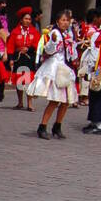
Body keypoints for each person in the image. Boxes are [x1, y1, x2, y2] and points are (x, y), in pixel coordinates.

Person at [29, 10, 79, 140]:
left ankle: (57, 126)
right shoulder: (54, 33)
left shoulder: (69, 34)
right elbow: (48, 50)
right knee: (55, 100)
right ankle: (42, 126)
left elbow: (72, 54)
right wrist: (53, 41)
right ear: (57, 21)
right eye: (62, 20)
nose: (65, 22)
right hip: (56, 68)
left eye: (67, 20)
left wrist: (74, 52)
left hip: (66, 69)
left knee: (66, 101)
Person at [6, 6, 40, 111]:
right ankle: (20, 102)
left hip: (29, 59)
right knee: (20, 82)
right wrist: (11, 58)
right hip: (19, 59)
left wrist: (28, 49)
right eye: (26, 19)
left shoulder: (34, 31)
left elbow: (37, 44)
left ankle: (30, 103)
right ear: (21, 20)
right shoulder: (15, 32)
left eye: (29, 19)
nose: (28, 21)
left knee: (29, 81)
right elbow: (11, 45)